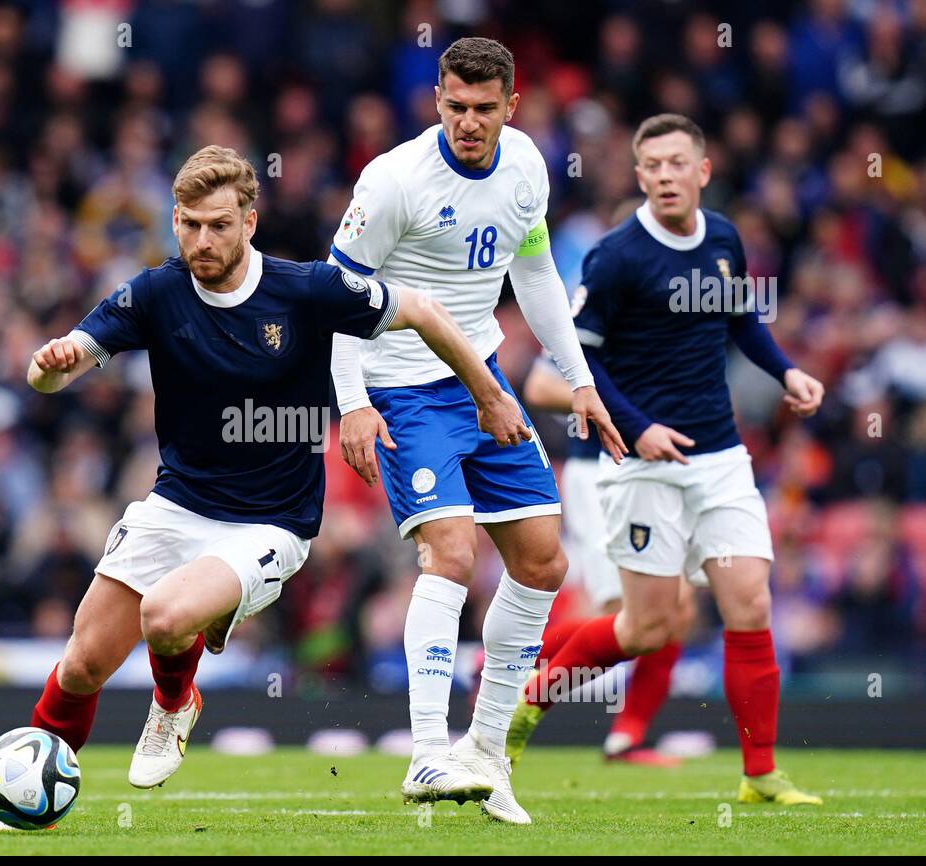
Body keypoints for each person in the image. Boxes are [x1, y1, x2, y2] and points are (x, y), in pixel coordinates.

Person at [0, 145, 512, 831]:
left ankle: (172, 704)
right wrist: (52, 365)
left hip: (271, 522)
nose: (202, 239)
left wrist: (489, 395)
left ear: (249, 221)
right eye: (190, 224)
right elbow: (60, 365)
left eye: (219, 225)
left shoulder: (307, 290)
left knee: (164, 616)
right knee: (81, 662)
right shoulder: (154, 294)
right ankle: (26, 810)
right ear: (174, 218)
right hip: (176, 504)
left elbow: (427, 311)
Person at [330, 37, 623, 823]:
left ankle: (486, 754)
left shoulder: (527, 165)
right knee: (452, 551)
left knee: (542, 561)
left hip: (482, 380)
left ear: (511, 106)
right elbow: (338, 294)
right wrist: (352, 400)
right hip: (401, 385)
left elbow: (535, 278)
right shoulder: (393, 180)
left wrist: (583, 381)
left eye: (484, 109)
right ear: (436, 100)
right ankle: (428, 751)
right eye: (455, 106)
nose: (468, 122)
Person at [505, 114, 826, 806]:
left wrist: (786, 373)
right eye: (651, 166)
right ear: (639, 174)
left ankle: (760, 774)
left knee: (750, 602)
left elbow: (740, 318)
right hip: (640, 463)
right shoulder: (617, 256)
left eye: (678, 163)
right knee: (644, 625)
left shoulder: (724, 239)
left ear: (702, 171)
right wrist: (638, 425)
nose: (665, 176)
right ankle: (531, 694)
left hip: (719, 455)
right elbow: (577, 355)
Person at [519, 353, 695, 766]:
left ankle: (627, 737)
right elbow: (539, 387)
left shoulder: (669, 309)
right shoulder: (596, 296)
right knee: (630, 616)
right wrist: (626, 407)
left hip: (655, 469)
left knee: (677, 610)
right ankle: (509, 661)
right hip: (601, 471)